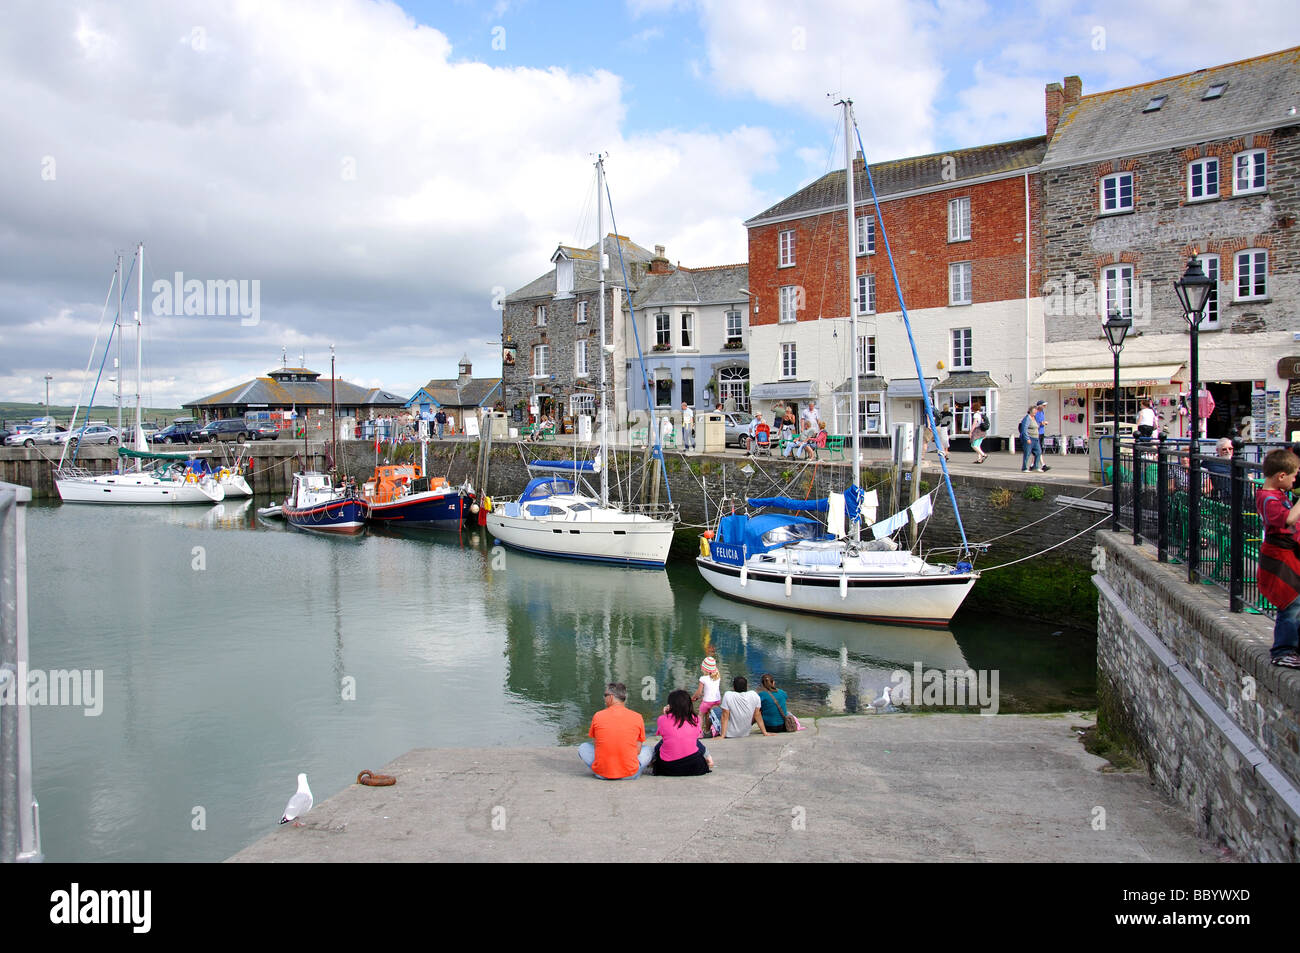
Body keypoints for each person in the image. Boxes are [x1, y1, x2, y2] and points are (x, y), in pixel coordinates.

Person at [1255, 449, 1300, 668]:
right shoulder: (1268, 499)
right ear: (1281, 476)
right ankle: (1283, 650)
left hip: (1287, 555)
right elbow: (1288, 519)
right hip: (1279, 558)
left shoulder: (1277, 495)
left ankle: (1294, 646)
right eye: (1293, 476)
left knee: (1296, 600)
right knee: (1290, 602)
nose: (1295, 480)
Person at [578, 682, 656, 779]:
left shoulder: (598, 716)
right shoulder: (637, 717)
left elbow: (598, 745)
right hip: (630, 774)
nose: (604, 698)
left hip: (602, 774)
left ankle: (604, 768)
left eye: (605, 695)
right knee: (648, 749)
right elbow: (638, 750)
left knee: (583, 747)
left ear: (610, 697)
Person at [651, 689, 713, 776]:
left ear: (670, 705)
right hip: (694, 767)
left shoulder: (662, 719)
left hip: (667, 768)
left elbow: (665, 734)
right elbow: (696, 736)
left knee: (664, 741)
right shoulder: (695, 719)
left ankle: (651, 760)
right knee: (693, 740)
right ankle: (709, 758)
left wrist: (666, 714)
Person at [691, 656, 723, 737]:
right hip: (717, 700)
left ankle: (699, 733)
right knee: (710, 714)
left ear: (704, 668)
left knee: (701, 714)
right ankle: (709, 730)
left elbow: (698, 692)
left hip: (707, 702)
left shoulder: (703, 678)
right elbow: (711, 689)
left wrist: (693, 698)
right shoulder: (717, 677)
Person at [1018, 406, 1043, 472]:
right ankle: (1024, 468)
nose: (1035, 412)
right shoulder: (1027, 418)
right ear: (1030, 411)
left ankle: (1036, 467)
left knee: (1038, 452)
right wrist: (1027, 438)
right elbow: (1024, 429)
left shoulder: (1034, 418)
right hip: (1030, 438)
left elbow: (1036, 426)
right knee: (1027, 453)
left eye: (1036, 411)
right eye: (1034, 411)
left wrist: (1041, 424)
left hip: (1036, 438)